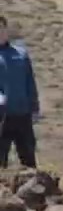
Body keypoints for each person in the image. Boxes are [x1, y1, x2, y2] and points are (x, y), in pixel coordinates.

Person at [0, 14, 40, 169]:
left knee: (29, 159)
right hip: (2, 116)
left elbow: (30, 82)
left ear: (6, 30)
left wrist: (34, 108)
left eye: (1, 28)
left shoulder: (20, 54)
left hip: (23, 114)